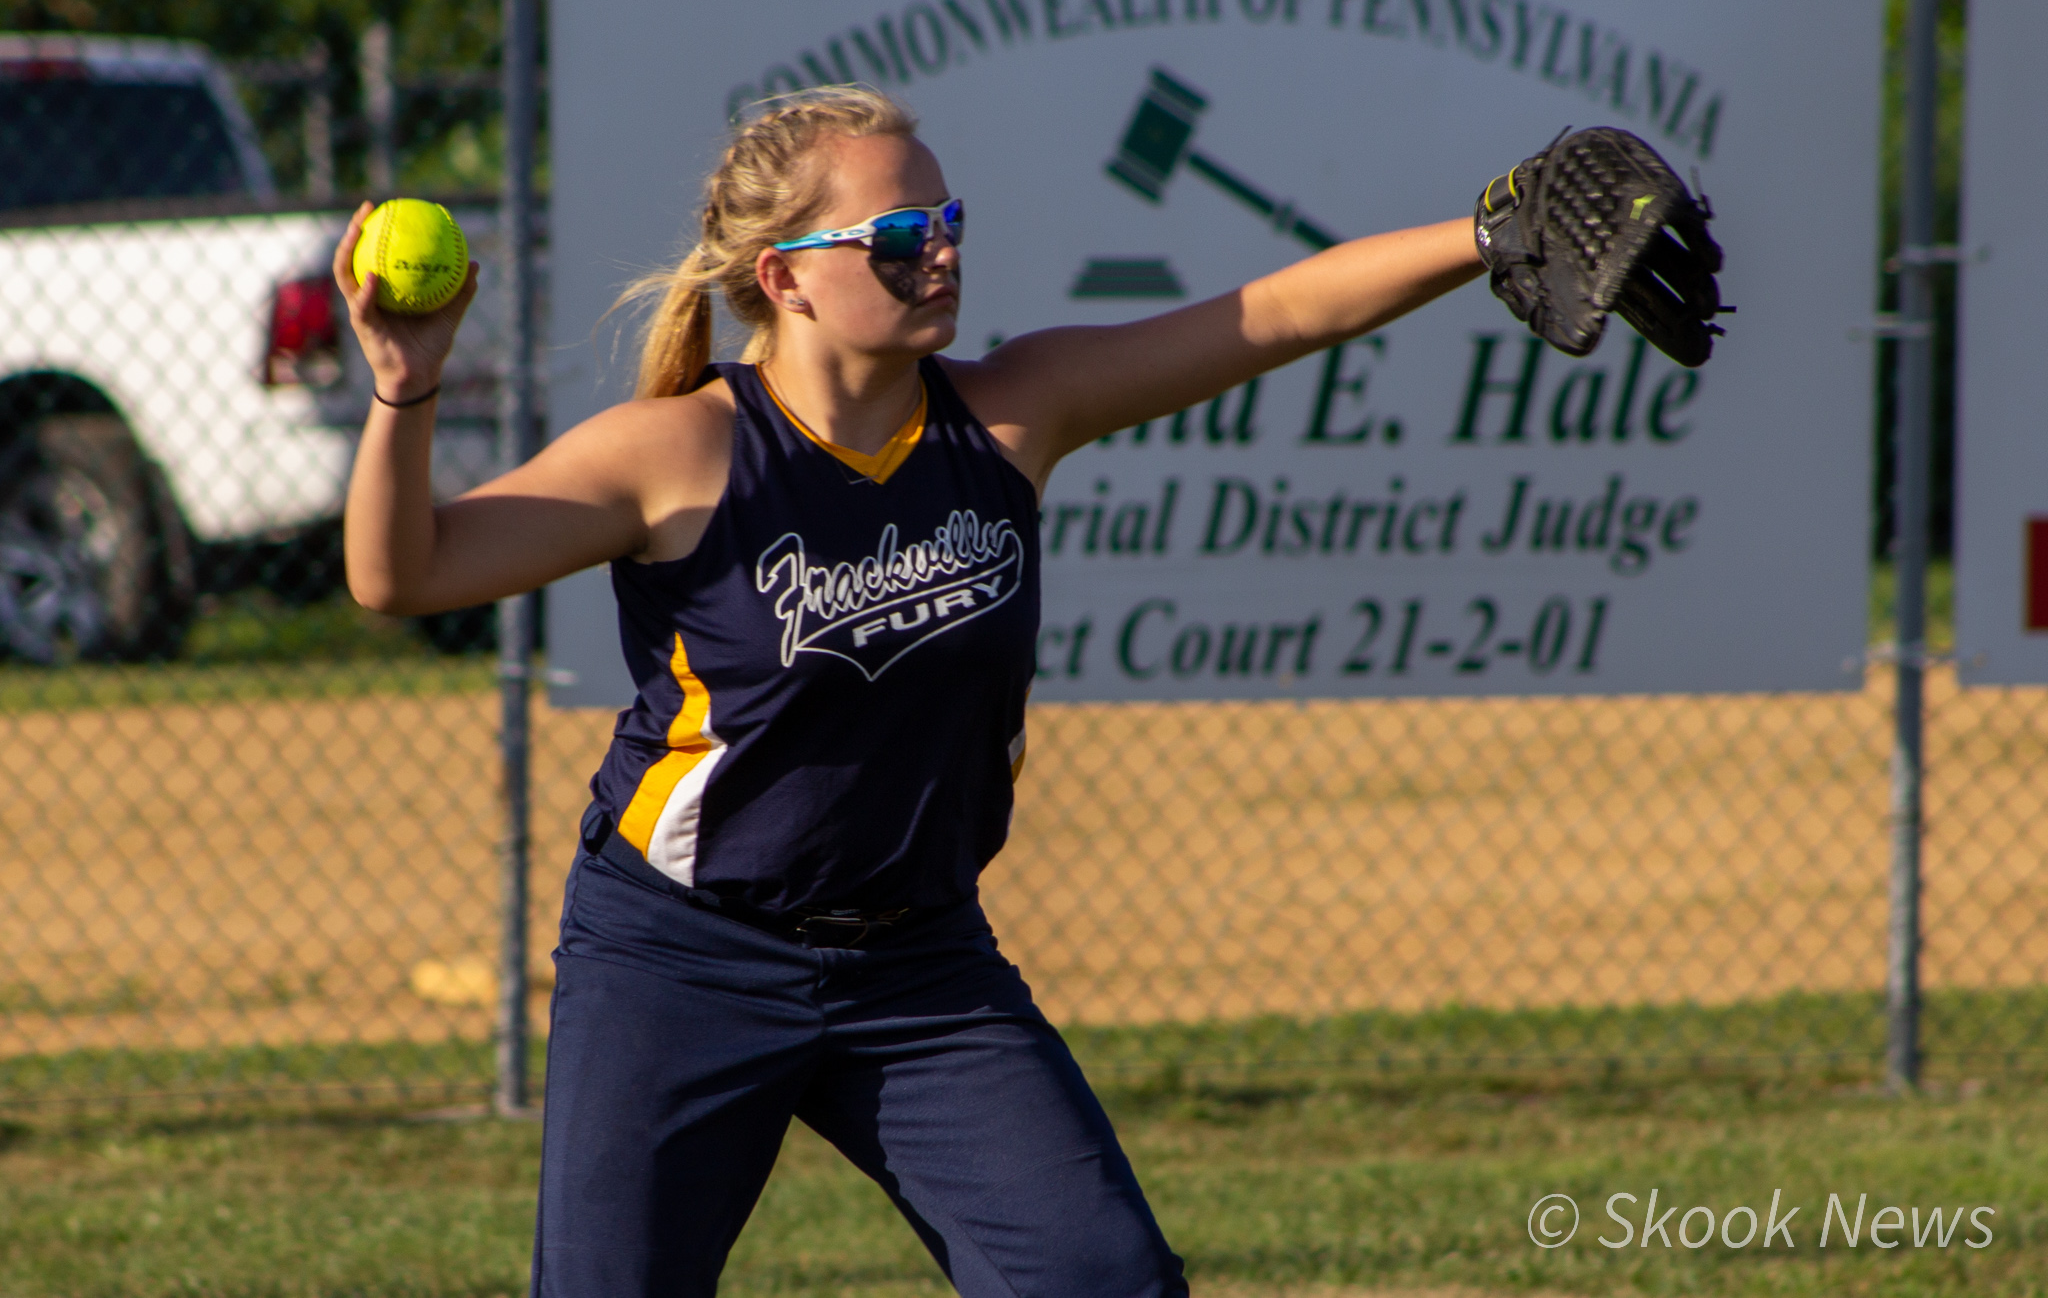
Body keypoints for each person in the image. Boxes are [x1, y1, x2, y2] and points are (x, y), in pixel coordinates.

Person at [337, 85, 1484, 1298]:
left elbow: (1276, 314)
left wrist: (1484, 236)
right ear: (782, 279)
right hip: (680, 957)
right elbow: (401, 575)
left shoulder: (1007, 416)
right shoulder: (680, 451)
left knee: (1105, 1280)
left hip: (916, 967)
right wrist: (405, 389)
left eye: (946, 220)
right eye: (895, 236)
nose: (936, 250)